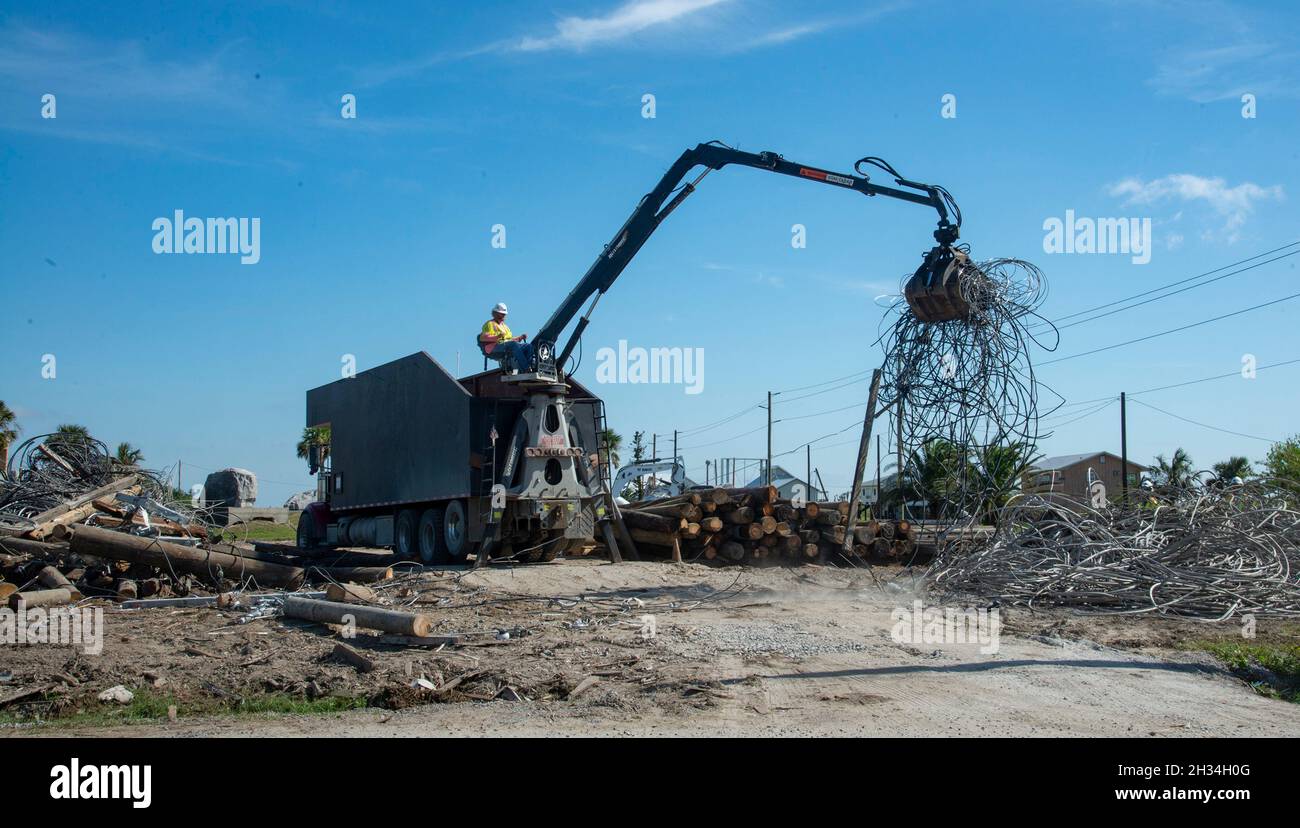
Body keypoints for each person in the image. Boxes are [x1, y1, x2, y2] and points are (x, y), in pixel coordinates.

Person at [479, 302, 534, 371]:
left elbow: (510, 340)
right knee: (513, 345)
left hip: (506, 345)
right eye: (501, 314)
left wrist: (520, 337)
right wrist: (497, 337)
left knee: (528, 346)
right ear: (495, 313)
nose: (503, 316)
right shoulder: (489, 324)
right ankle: (526, 368)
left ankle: (526, 368)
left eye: (504, 314)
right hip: (494, 347)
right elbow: (482, 338)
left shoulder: (505, 327)